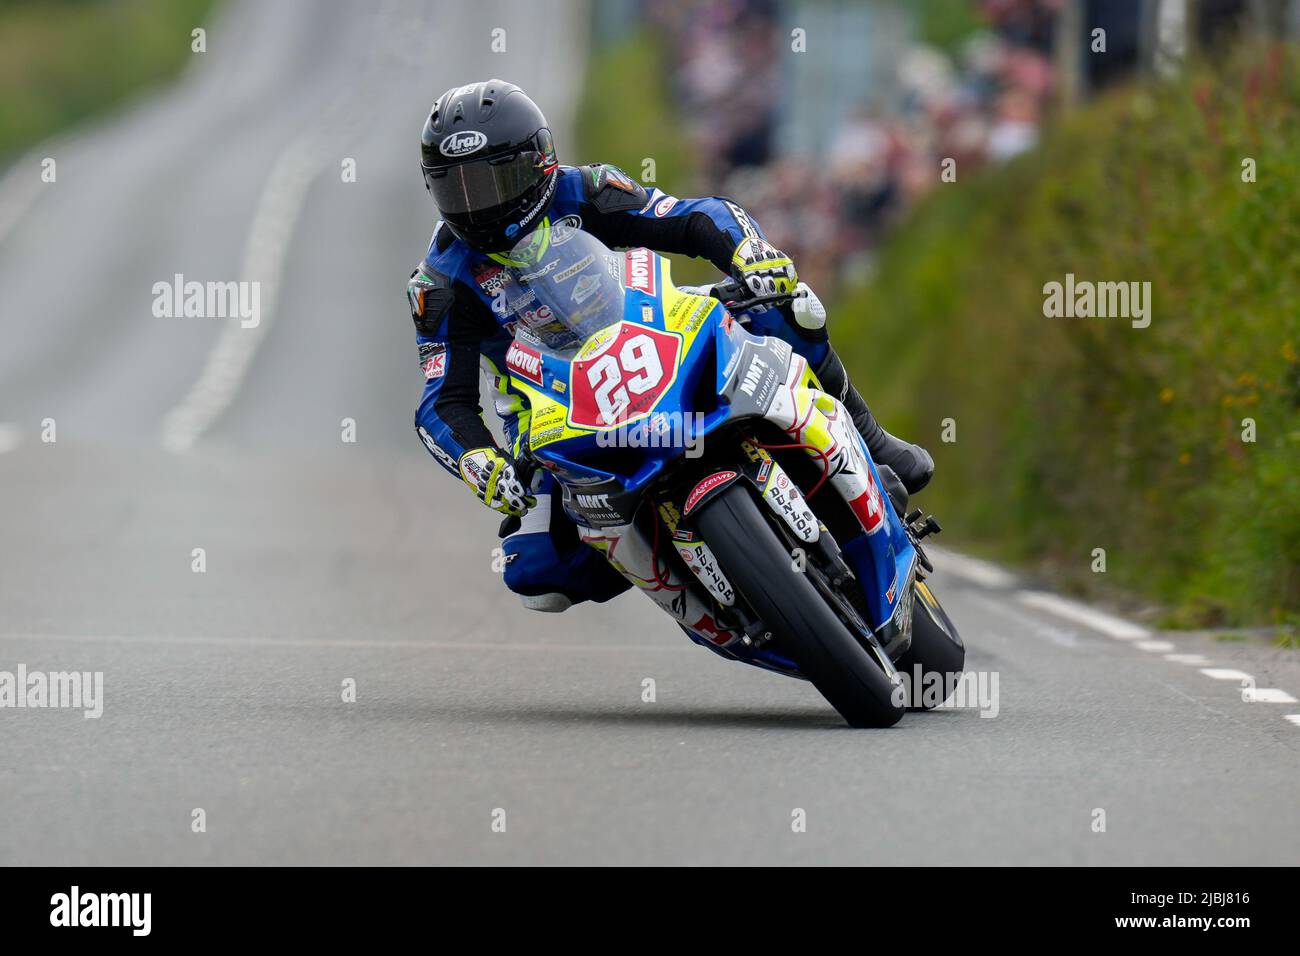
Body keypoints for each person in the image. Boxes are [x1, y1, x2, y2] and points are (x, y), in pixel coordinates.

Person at [409, 80, 933, 610]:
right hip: (551, 408)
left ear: (539, 161)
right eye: (459, 190)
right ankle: (688, 577)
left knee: (790, 305)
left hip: (655, 330)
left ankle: (869, 437)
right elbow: (441, 403)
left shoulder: (584, 190)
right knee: (537, 579)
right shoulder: (441, 282)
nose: (480, 205)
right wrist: (479, 459)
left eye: (497, 179)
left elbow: (693, 217)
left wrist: (749, 253)